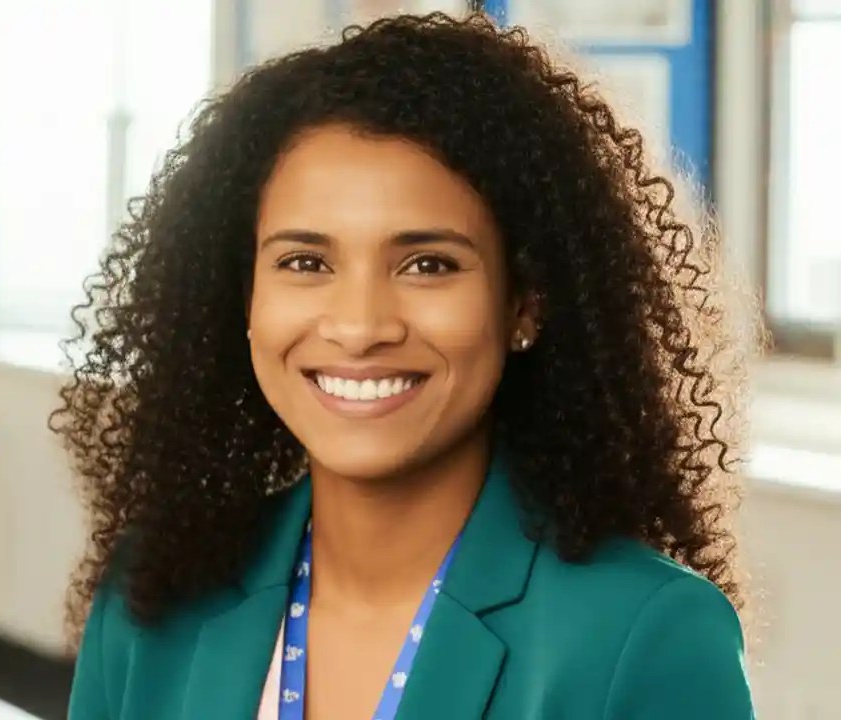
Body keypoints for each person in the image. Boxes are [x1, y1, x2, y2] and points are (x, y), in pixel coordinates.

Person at [53, 12, 756, 720]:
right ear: (244, 299)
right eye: (305, 262)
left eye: (428, 264)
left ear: (525, 305)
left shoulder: (646, 634)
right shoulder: (153, 600)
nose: (360, 327)